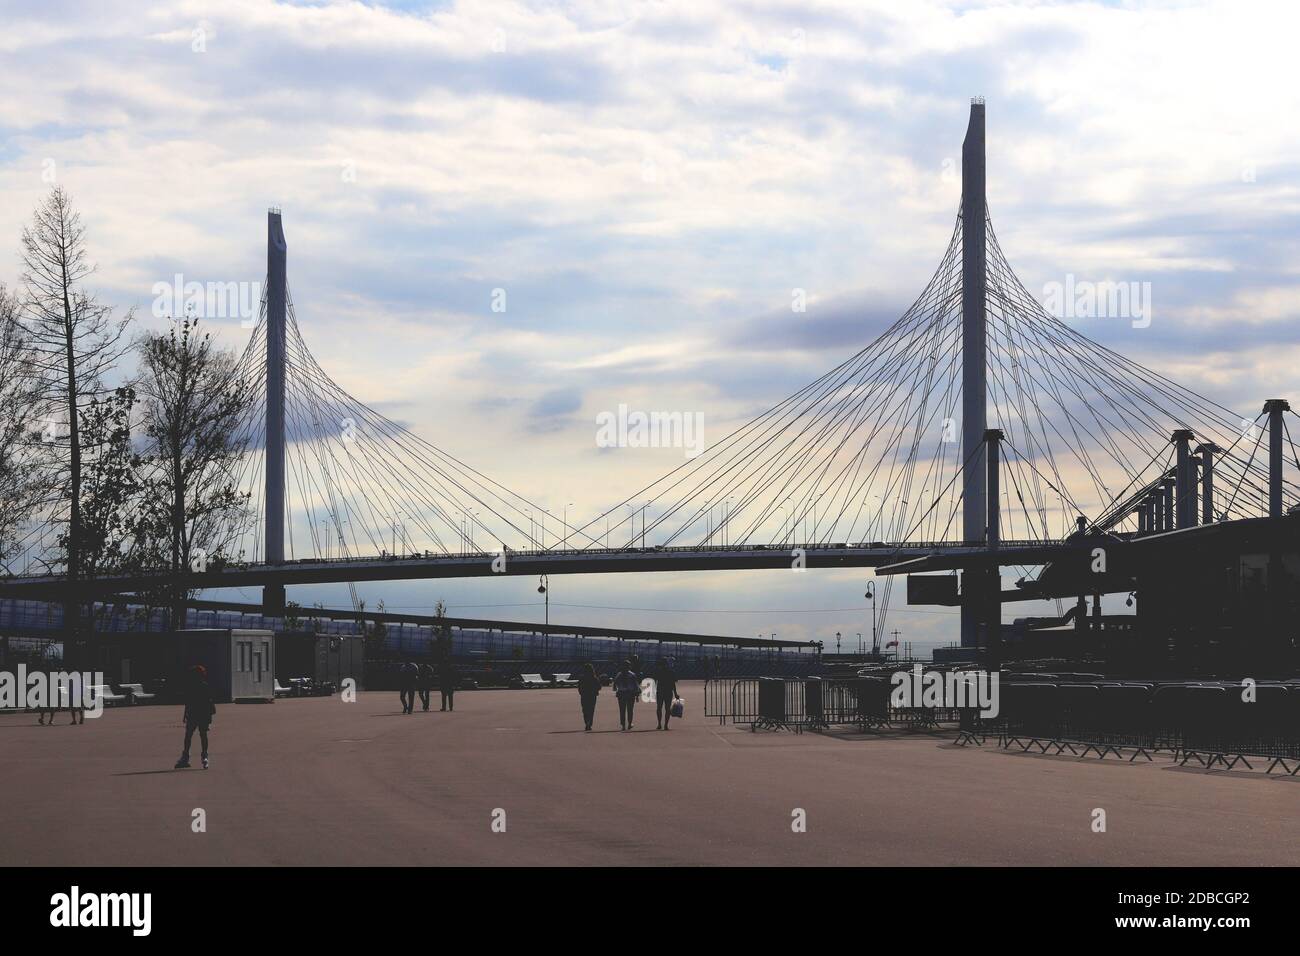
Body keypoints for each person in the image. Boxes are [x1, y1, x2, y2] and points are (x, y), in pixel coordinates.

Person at [174, 665, 216, 770]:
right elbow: (209, 702)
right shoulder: (205, 686)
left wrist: (185, 714)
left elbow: (188, 702)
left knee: (188, 736)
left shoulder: (191, 686)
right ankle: (204, 756)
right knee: (203, 735)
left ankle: (186, 757)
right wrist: (209, 717)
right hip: (203, 714)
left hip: (193, 714)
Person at [652, 658, 679, 730]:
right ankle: (665, 725)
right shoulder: (670, 671)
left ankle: (659, 724)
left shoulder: (658, 671)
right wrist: (675, 693)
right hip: (668, 691)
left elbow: (654, 681)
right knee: (666, 709)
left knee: (659, 708)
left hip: (661, 691)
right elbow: (673, 683)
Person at [612, 660, 640, 731]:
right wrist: (637, 695)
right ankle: (629, 724)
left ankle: (623, 725)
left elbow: (614, 686)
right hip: (630, 693)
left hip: (621, 693)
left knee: (622, 710)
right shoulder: (632, 674)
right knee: (630, 710)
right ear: (629, 666)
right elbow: (636, 686)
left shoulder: (619, 674)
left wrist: (618, 688)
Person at [577, 662, 601, 731]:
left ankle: (586, 722)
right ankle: (589, 723)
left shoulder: (582, 678)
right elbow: (599, 687)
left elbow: (579, 687)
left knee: (585, 710)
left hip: (584, 695)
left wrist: (581, 693)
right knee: (591, 710)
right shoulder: (594, 678)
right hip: (592, 696)